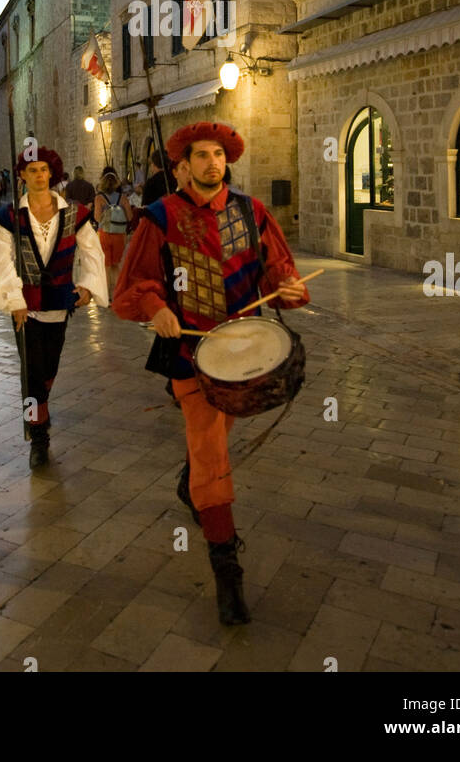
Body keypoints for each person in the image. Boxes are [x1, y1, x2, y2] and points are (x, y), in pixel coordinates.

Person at [112, 121, 310, 626]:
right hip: (189, 354)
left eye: (218, 155)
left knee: (217, 435)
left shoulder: (252, 211)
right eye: (201, 155)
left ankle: (190, 481)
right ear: (182, 168)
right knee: (210, 449)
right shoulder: (159, 218)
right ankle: (227, 567)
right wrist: (155, 307)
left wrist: (286, 286)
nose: (212, 163)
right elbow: (133, 286)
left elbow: (278, 268)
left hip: (244, 353)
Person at [0, 146, 108, 467]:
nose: (39, 175)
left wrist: (87, 285)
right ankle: (37, 433)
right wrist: (13, 299)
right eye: (32, 170)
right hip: (24, 309)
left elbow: (92, 252)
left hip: (58, 304)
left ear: (51, 173)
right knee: (30, 374)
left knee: (48, 370)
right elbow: (2, 262)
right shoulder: (10, 216)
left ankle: (39, 412)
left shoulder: (73, 213)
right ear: (23, 176)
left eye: (44, 169)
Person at [93, 169, 133, 297]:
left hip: (104, 233)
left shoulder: (99, 198)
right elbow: (130, 217)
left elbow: (97, 218)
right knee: (116, 264)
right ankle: (116, 293)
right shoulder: (123, 198)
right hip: (119, 235)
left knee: (106, 266)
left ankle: (107, 295)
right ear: (116, 183)